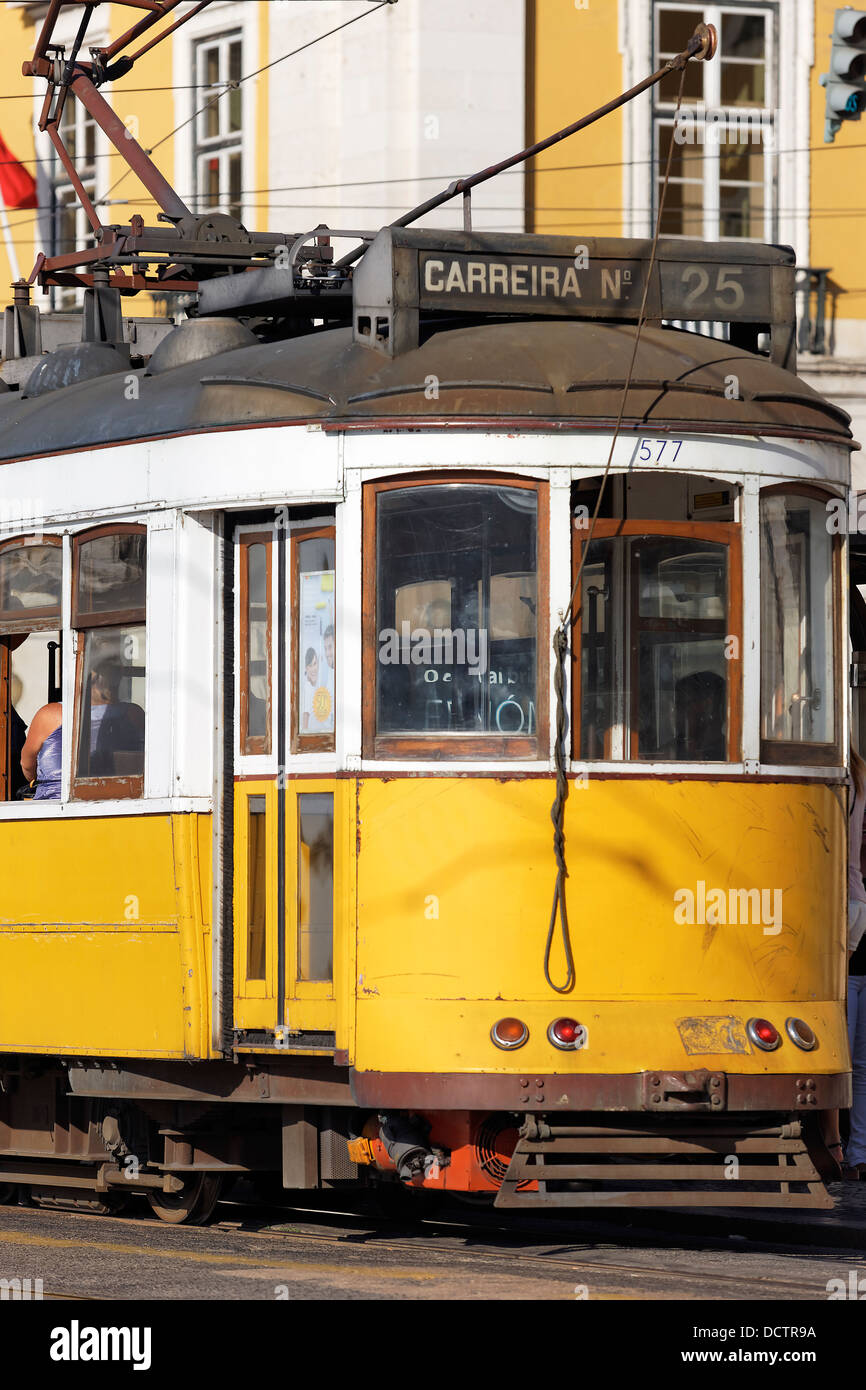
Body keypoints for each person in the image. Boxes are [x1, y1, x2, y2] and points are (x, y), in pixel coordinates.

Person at [20, 700, 62, 800]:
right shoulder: (106, 714)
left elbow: (27, 765)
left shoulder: (51, 713)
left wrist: (35, 780)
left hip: (51, 801)